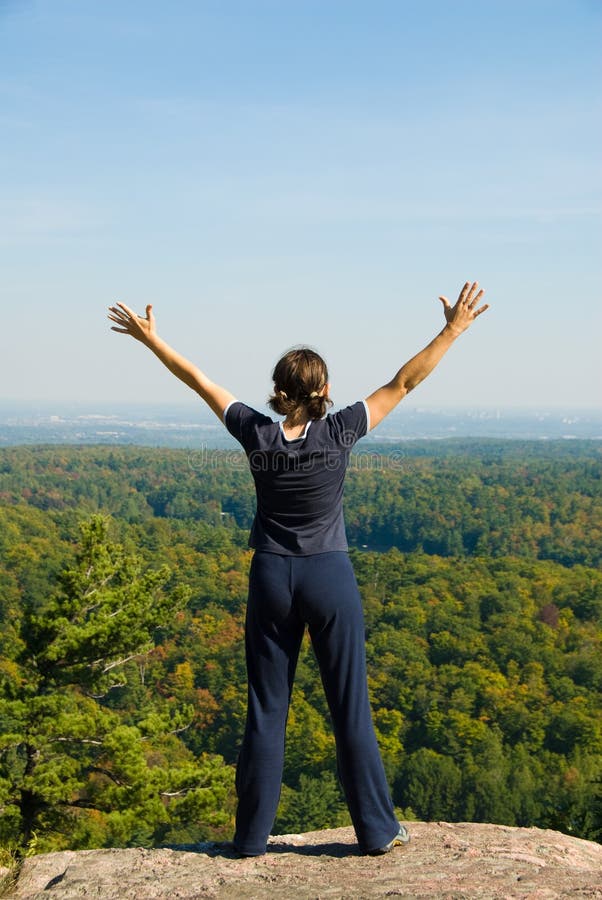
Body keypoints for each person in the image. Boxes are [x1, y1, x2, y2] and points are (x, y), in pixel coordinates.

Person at [108, 281, 489, 856]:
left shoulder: (257, 433)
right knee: (349, 707)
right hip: (329, 576)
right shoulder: (341, 431)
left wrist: (151, 341)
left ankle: (250, 839)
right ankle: (378, 832)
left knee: (266, 708)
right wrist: (453, 330)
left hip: (272, 577)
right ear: (325, 391)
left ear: (279, 394)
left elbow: (199, 381)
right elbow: (404, 382)